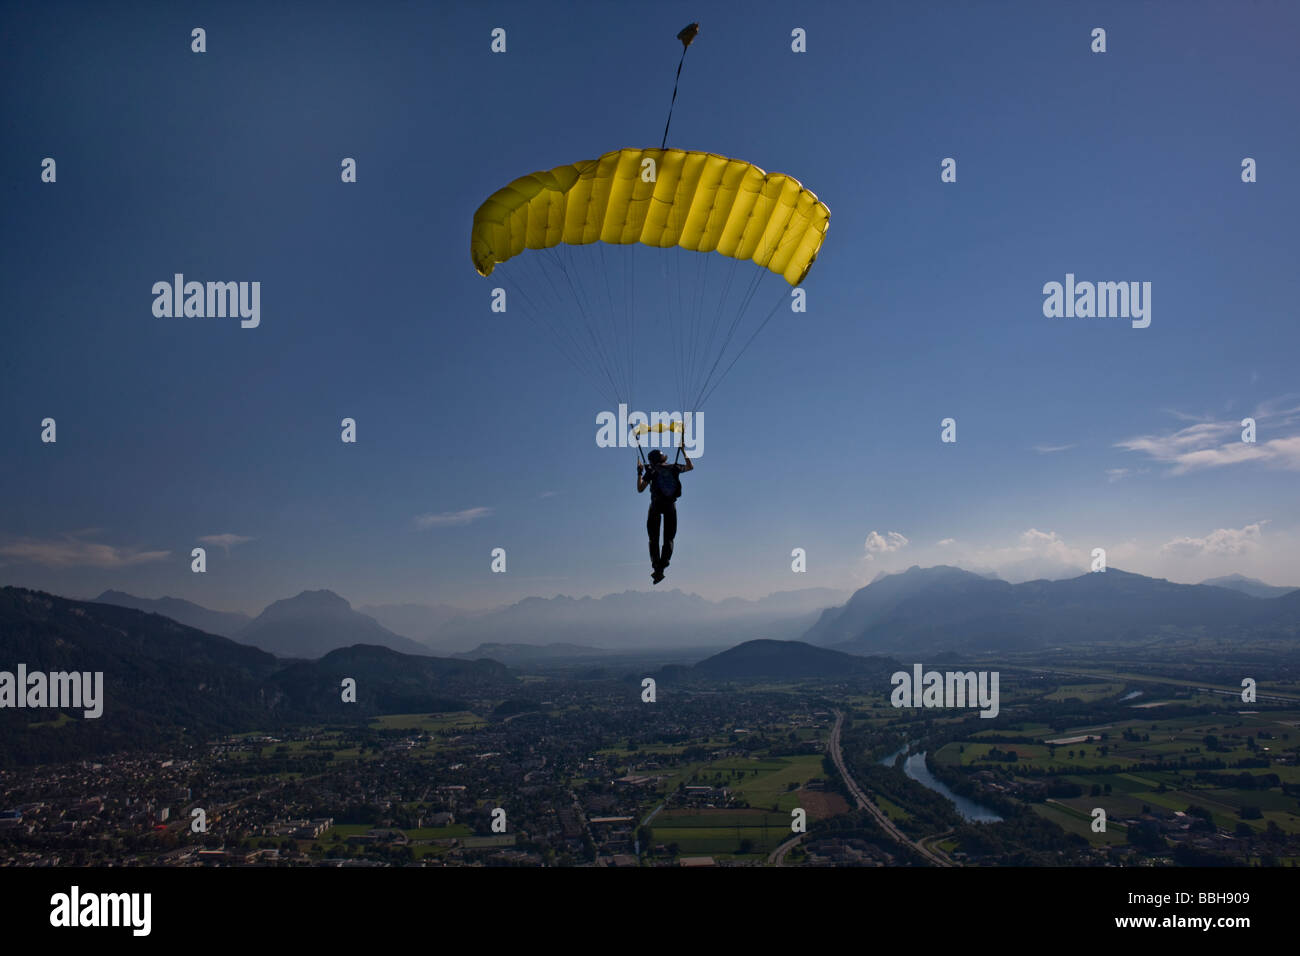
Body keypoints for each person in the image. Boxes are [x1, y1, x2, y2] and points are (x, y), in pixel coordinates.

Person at [637, 447, 692, 584]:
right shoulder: (674, 467)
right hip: (670, 506)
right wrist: (683, 451)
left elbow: (640, 489)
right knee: (669, 538)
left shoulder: (651, 471)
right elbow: (690, 467)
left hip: (655, 505)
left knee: (653, 538)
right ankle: (662, 567)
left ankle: (657, 567)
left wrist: (640, 472)